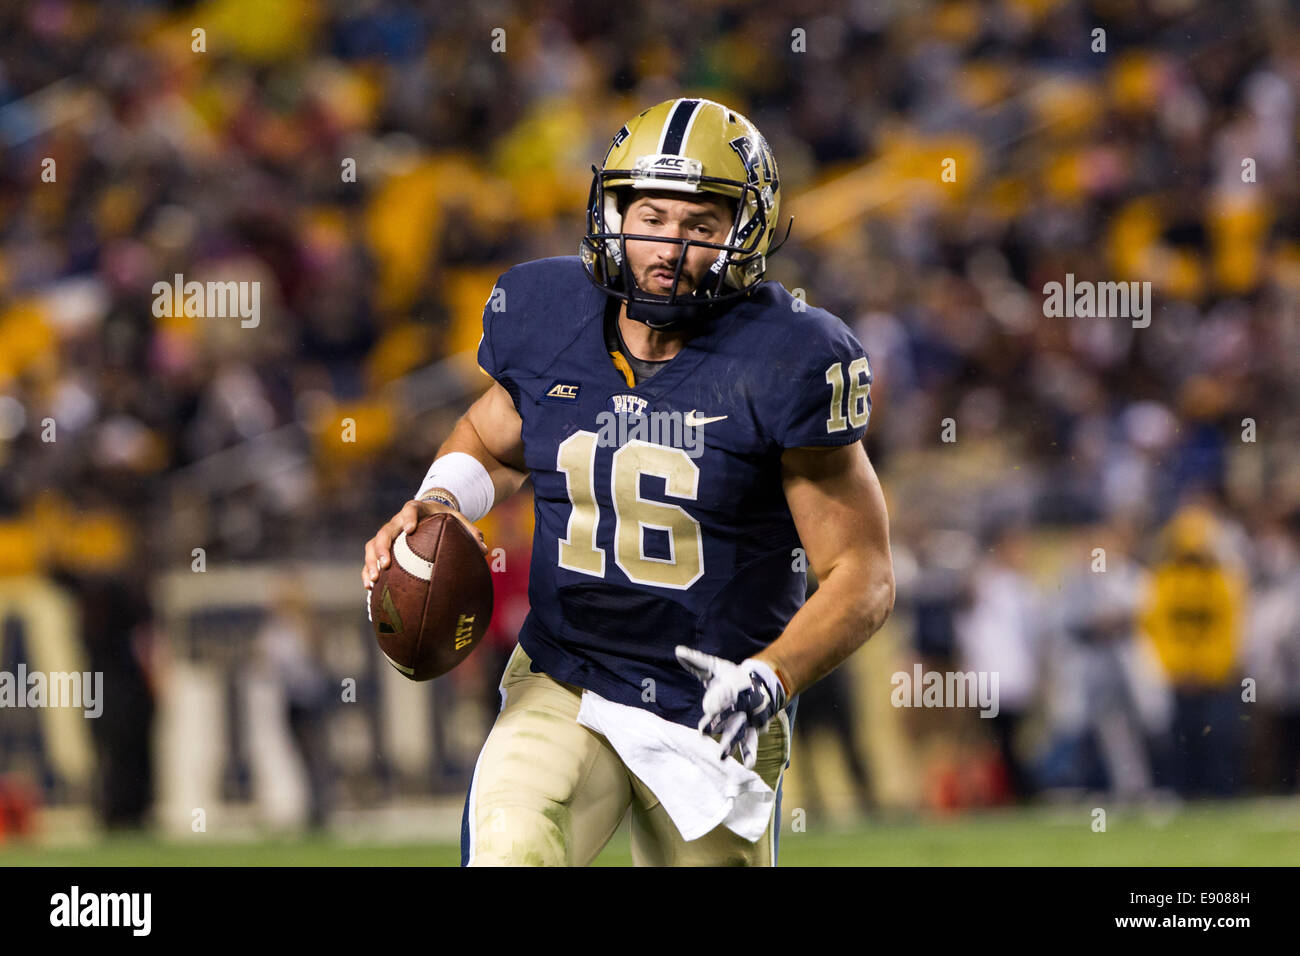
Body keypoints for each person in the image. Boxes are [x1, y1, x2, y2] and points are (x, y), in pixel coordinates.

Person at [363, 98, 895, 866]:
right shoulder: (551, 314)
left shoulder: (790, 357)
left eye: (700, 227)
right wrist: (443, 497)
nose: (668, 246)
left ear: (745, 233)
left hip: (716, 703)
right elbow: (491, 438)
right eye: (650, 216)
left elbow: (862, 573)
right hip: (567, 674)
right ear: (610, 212)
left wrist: (770, 678)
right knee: (510, 850)